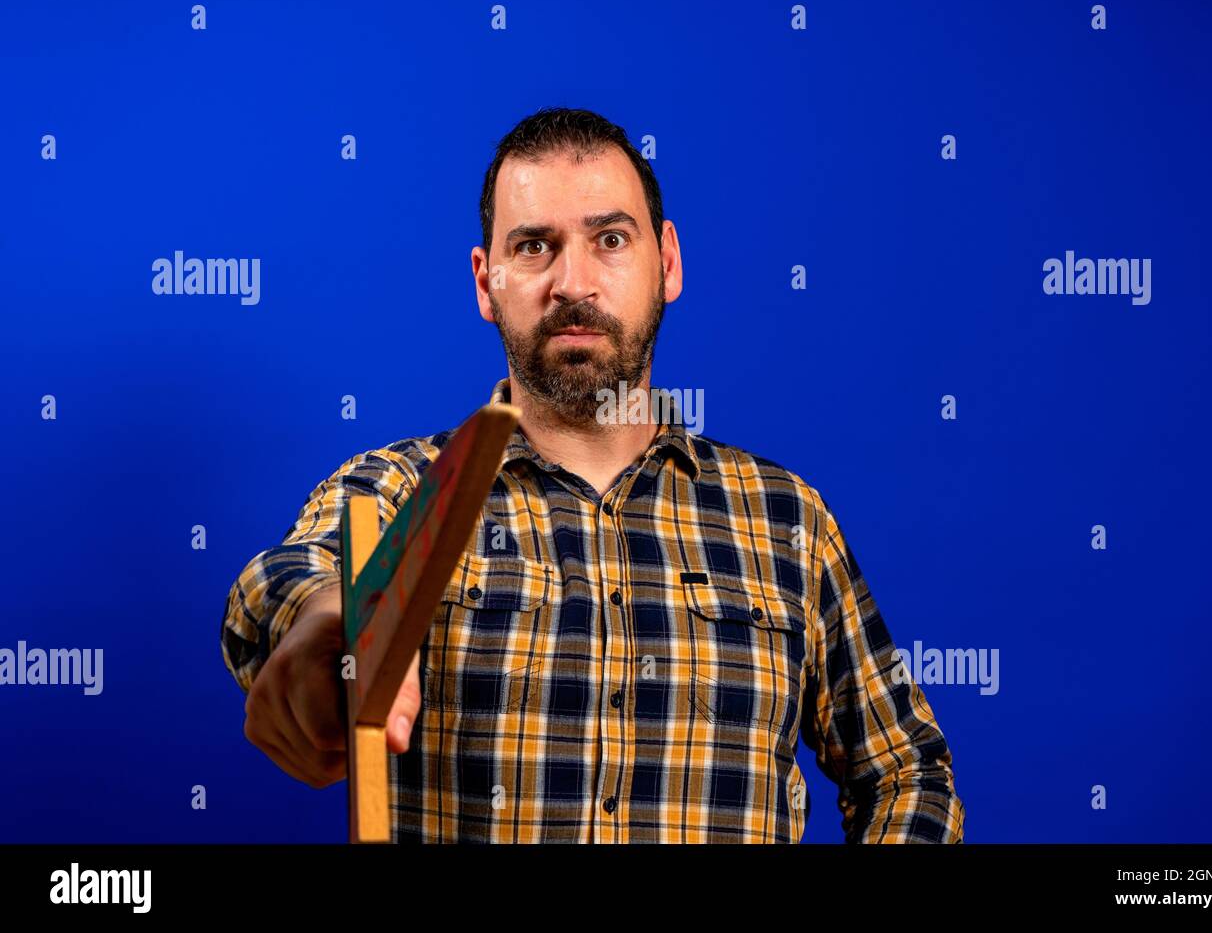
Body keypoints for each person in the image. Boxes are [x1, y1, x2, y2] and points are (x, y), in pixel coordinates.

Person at [221, 107, 965, 843]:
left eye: (610, 239)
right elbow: (288, 581)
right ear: (487, 282)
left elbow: (907, 774)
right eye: (536, 246)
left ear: (666, 263)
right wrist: (329, 623)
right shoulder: (400, 487)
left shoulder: (788, 521)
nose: (573, 282)